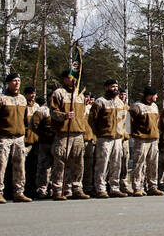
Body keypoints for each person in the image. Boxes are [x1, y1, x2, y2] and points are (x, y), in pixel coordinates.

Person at [0, 73, 32, 203]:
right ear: (8, 83)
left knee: (20, 166)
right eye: (14, 81)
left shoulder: (23, 99)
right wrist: (0, 132)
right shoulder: (0, 99)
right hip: (4, 137)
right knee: (0, 165)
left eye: (19, 80)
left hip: (19, 137)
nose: (17, 83)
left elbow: (25, 119)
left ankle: (19, 192)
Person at [49, 70, 90, 200]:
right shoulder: (58, 93)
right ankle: (58, 189)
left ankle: (77, 187)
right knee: (61, 162)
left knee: (78, 162)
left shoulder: (80, 95)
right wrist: (64, 116)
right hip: (63, 134)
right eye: (70, 78)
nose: (73, 80)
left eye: (75, 78)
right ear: (64, 79)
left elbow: (83, 114)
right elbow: (53, 112)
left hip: (78, 133)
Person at [89, 79, 128, 198]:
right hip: (104, 138)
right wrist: (96, 134)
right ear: (106, 88)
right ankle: (100, 188)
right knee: (102, 164)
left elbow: (124, 120)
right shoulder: (100, 102)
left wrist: (123, 135)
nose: (115, 89)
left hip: (117, 138)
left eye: (116, 86)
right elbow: (91, 120)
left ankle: (114, 187)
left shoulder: (120, 103)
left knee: (116, 164)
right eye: (112, 86)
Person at [128, 86, 161, 196]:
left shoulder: (155, 106)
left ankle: (152, 186)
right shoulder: (137, 106)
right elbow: (127, 121)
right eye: (155, 95)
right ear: (150, 95)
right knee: (139, 164)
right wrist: (133, 135)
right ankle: (137, 187)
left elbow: (157, 122)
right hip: (141, 139)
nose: (157, 97)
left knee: (153, 164)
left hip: (153, 139)